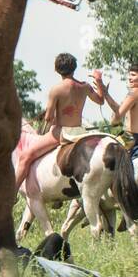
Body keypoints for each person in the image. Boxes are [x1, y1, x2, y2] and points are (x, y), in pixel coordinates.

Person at [14, 53, 105, 188]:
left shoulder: (56, 90)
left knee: (25, 156)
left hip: (60, 133)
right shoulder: (85, 86)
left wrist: (50, 117)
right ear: (74, 68)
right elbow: (101, 101)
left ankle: (13, 192)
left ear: (56, 69)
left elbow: (49, 118)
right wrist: (98, 81)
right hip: (80, 131)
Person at [92, 62, 138, 159]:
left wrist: (114, 121)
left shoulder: (134, 92)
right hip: (133, 138)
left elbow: (118, 117)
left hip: (129, 138)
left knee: (102, 154)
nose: (129, 78)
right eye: (129, 75)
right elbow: (119, 110)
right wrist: (106, 94)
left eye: (133, 75)